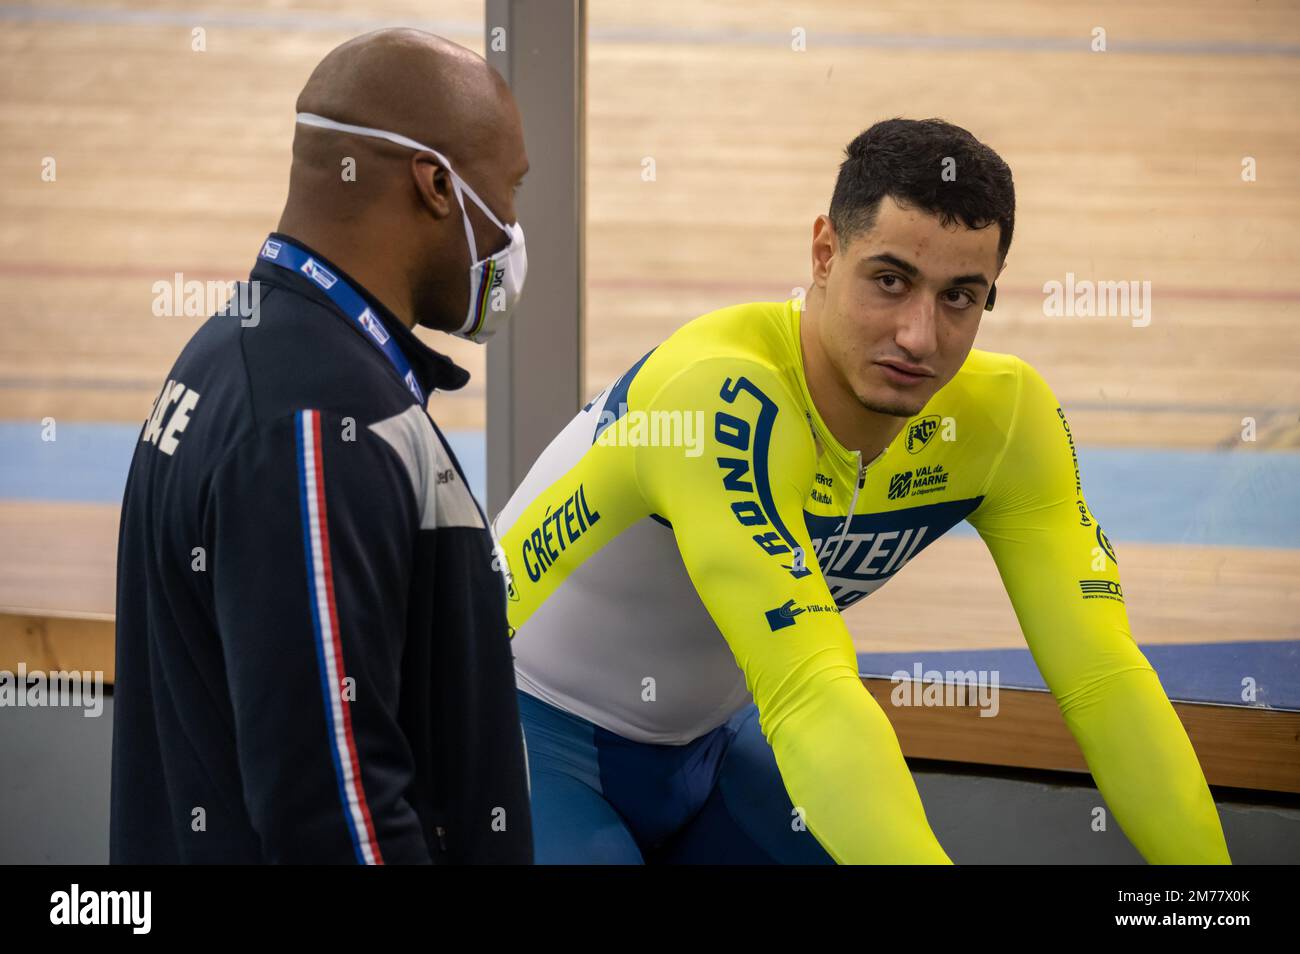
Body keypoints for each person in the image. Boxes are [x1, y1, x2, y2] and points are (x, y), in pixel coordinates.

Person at [494, 118, 1232, 864]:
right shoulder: (718, 396)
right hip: (516, 730)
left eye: (960, 299)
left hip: (711, 742)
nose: (919, 336)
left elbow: (1105, 681)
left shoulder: (1004, 421)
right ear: (823, 252)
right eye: (891, 281)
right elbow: (811, 690)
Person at [111, 29, 533, 863]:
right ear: (438, 186)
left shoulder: (248, 353)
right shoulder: (315, 426)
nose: (515, 229)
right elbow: (336, 806)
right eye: (509, 190)